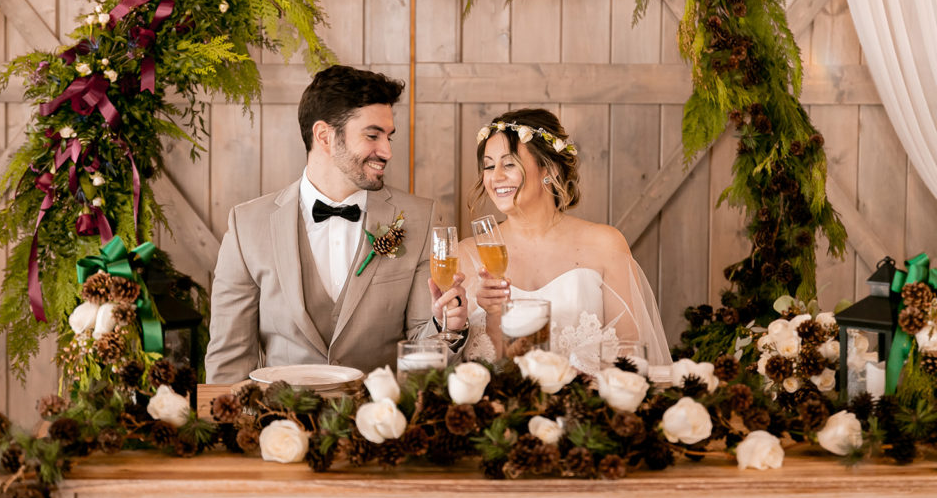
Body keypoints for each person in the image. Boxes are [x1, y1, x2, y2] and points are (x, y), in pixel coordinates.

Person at [205, 65, 467, 384]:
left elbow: (421, 352)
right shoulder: (247, 225)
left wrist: (445, 326)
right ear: (325, 136)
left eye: (388, 137)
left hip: (382, 424)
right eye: (373, 135)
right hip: (279, 424)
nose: (387, 151)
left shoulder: (421, 218)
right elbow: (230, 359)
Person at [462, 108, 671, 369]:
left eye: (509, 163)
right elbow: (468, 359)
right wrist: (493, 316)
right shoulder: (468, 255)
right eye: (489, 166)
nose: (495, 177)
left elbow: (631, 348)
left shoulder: (605, 243)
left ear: (549, 169)